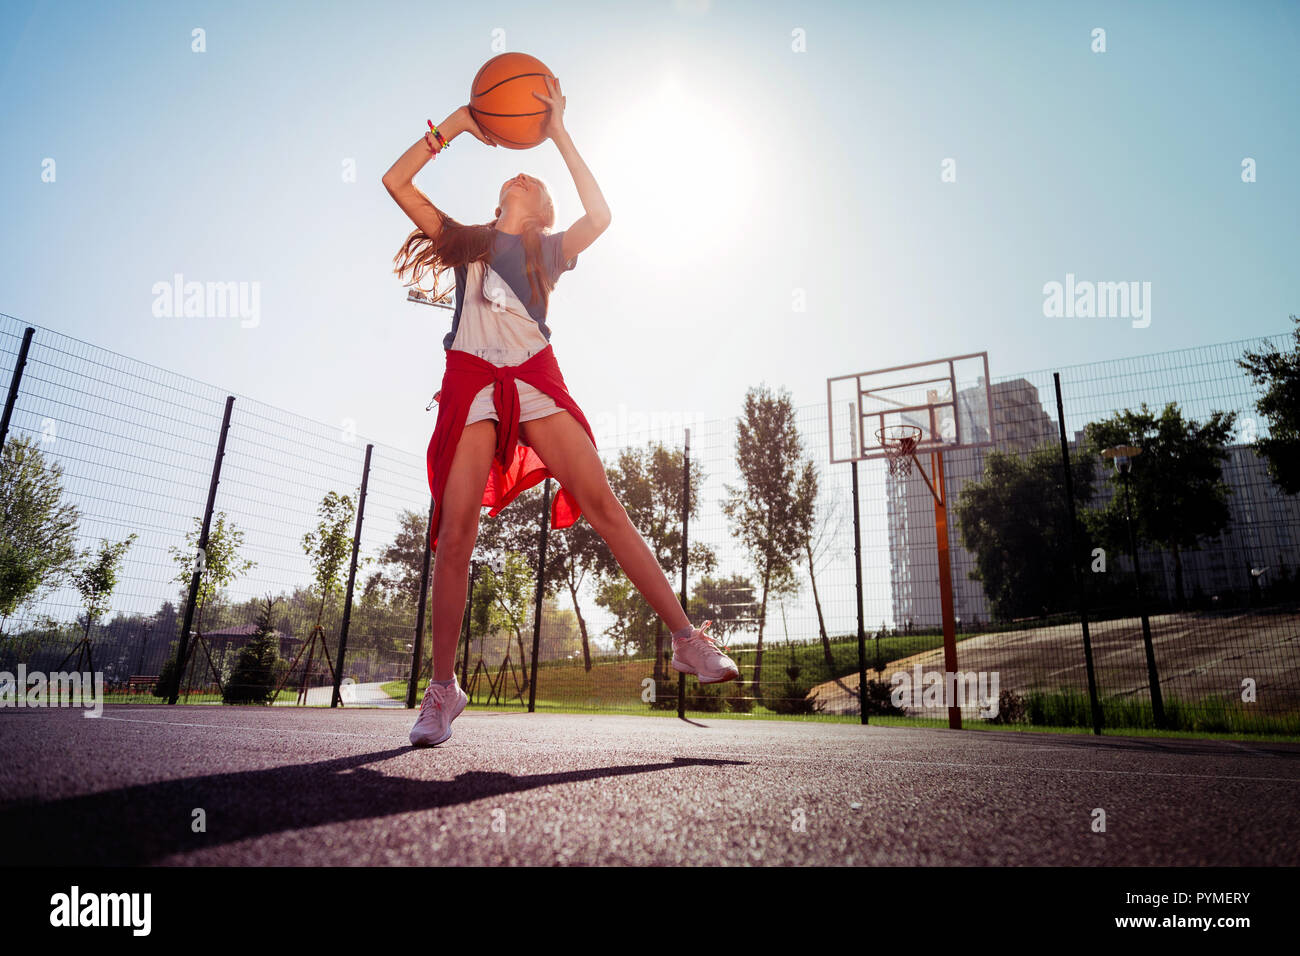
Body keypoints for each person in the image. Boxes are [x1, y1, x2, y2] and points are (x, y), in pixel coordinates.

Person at [382, 77, 738, 747]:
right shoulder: (468, 242)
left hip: (535, 377)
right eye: (513, 172)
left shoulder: (548, 252)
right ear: (500, 197)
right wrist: (457, 123)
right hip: (472, 379)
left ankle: (687, 639)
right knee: (455, 534)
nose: (520, 172)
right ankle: (441, 691)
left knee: (603, 504)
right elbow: (396, 182)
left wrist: (560, 133)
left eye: (531, 176)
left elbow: (601, 216)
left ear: (542, 207)